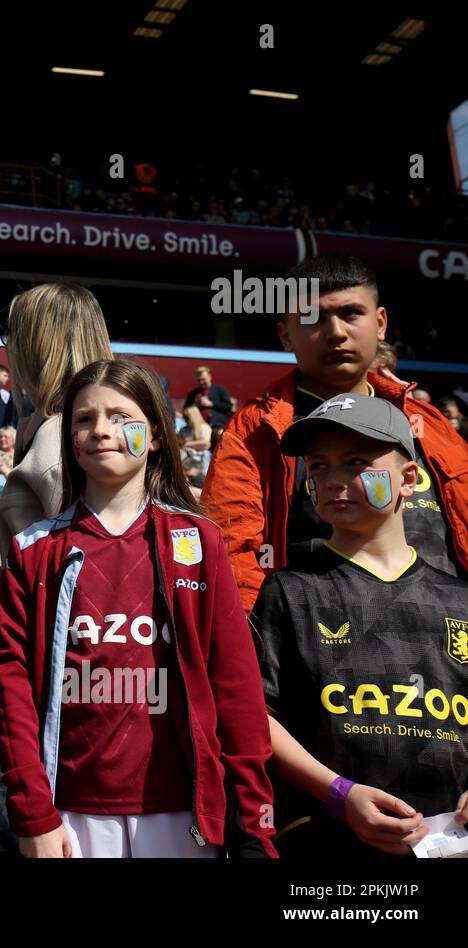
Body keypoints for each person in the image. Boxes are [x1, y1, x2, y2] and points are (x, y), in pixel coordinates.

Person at [0, 359, 277, 858]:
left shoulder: (198, 541)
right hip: (69, 813)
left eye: (122, 417)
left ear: (159, 436)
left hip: (183, 812)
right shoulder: (34, 550)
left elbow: (236, 686)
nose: (101, 430)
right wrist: (33, 812)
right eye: (84, 419)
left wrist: (255, 823)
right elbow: (10, 692)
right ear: (70, 441)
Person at [252, 395, 468, 857]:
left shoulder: (461, 600)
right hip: (326, 840)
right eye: (319, 467)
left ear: (409, 479)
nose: (334, 481)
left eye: (356, 463)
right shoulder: (289, 591)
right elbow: (255, 717)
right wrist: (339, 793)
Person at [204, 255, 468, 614]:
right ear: (285, 336)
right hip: (316, 651)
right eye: (312, 318)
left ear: (380, 323)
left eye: (351, 314)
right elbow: (232, 554)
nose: (335, 332)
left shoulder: (431, 424)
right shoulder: (254, 432)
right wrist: (258, 646)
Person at [0, 283, 114, 561]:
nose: (7, 345)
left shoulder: (59, 440)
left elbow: (90, 564)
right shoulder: (62, 429)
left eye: (10, 334)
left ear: (36, 348)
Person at [183, 365, 233, 439]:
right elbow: (185, 410)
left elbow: (228, 406)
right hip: (198, 428)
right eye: (199, 380)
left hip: (217, 426)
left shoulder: (219, 389)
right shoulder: (193, 394)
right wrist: (195, 404)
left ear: (210, 376)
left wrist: (211, 404)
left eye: (203, 379)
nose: (201, 382)